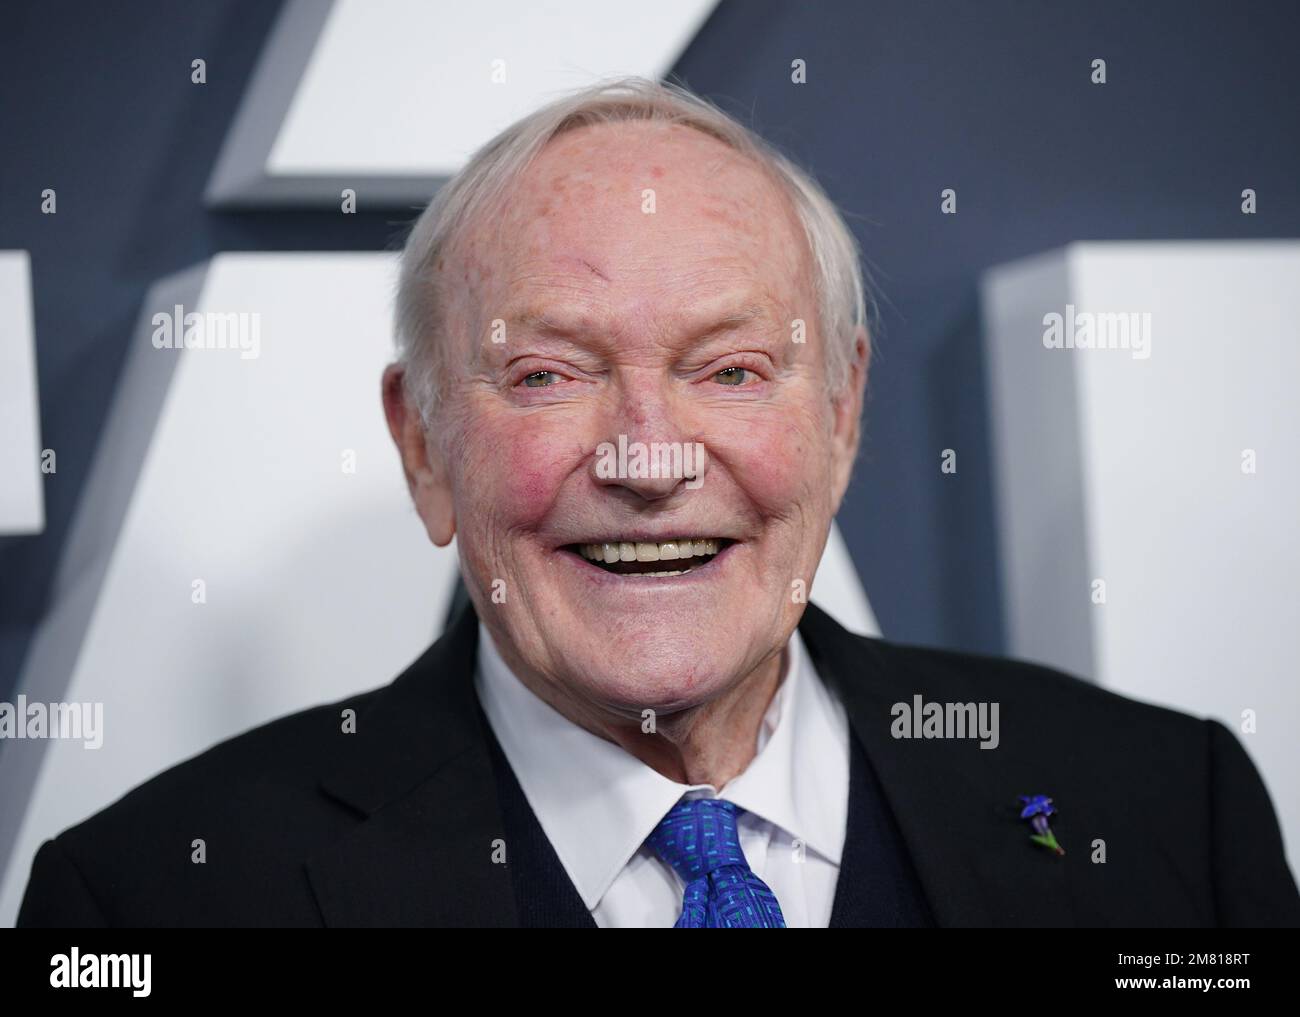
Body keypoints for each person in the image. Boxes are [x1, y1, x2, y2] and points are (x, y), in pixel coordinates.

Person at [19, 77, 1299, 928]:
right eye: (549, 375)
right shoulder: (147, 903)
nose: (646, 459)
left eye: (730, 370)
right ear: (422, 447)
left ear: (841, 417)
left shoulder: (1164, 813)